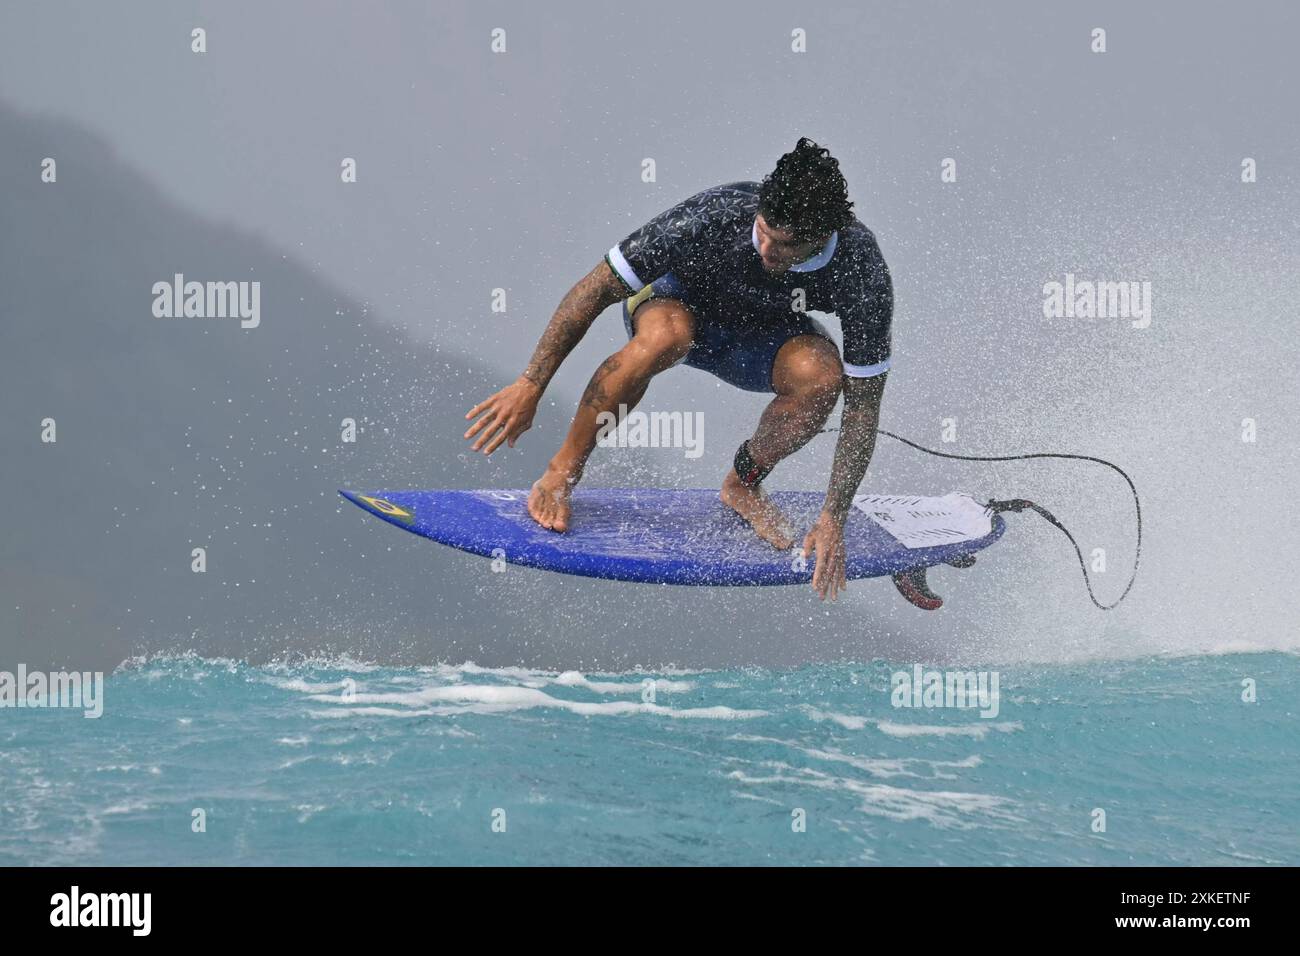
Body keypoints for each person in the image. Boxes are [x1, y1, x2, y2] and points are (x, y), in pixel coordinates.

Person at [464, 138, 892, 600]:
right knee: (666, 337)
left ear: (822, 236)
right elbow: (592, 290)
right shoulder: (713, 216)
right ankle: (560, 473)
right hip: (673, 306)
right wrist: (532, 382)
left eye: (784, 246)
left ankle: (743, 484)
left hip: (763, 337)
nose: (766, 248)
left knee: (823, 377)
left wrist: (834, 517)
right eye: (763, 230)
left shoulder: (860, 268)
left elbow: (864, 407)